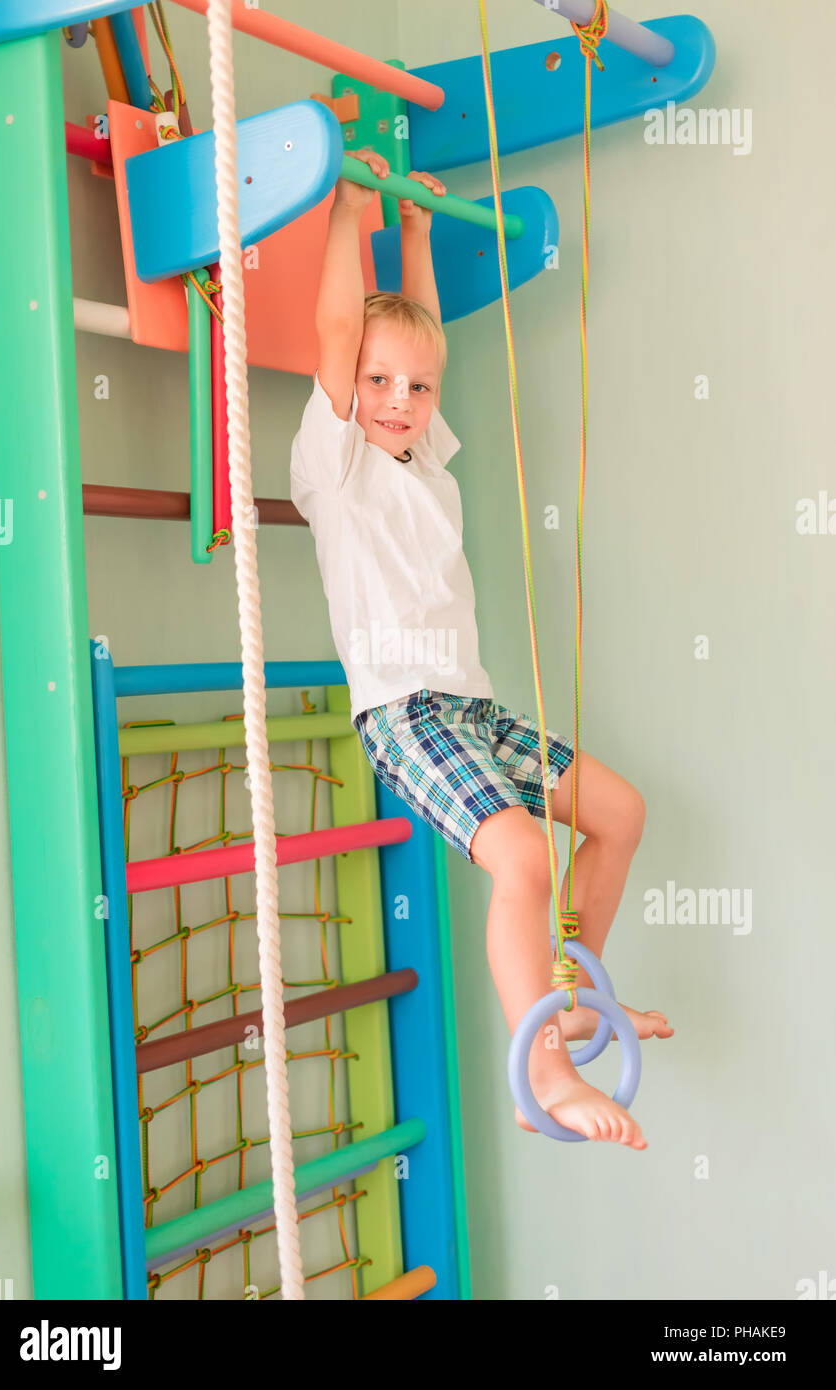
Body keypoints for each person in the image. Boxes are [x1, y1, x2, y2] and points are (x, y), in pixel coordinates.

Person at [291, 149, 672, 1148]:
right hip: (402, 713)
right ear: (347, 386)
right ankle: (539, 1069)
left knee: (617, 813)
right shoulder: (336, 460)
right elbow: (341, 326)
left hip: (470, 705)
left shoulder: (421, 457)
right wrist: (348, 205)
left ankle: (573, 999)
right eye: (378, 381)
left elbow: (423, 341)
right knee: (516, 858)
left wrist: (416, 234)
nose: (398, 398)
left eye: (413, 388)